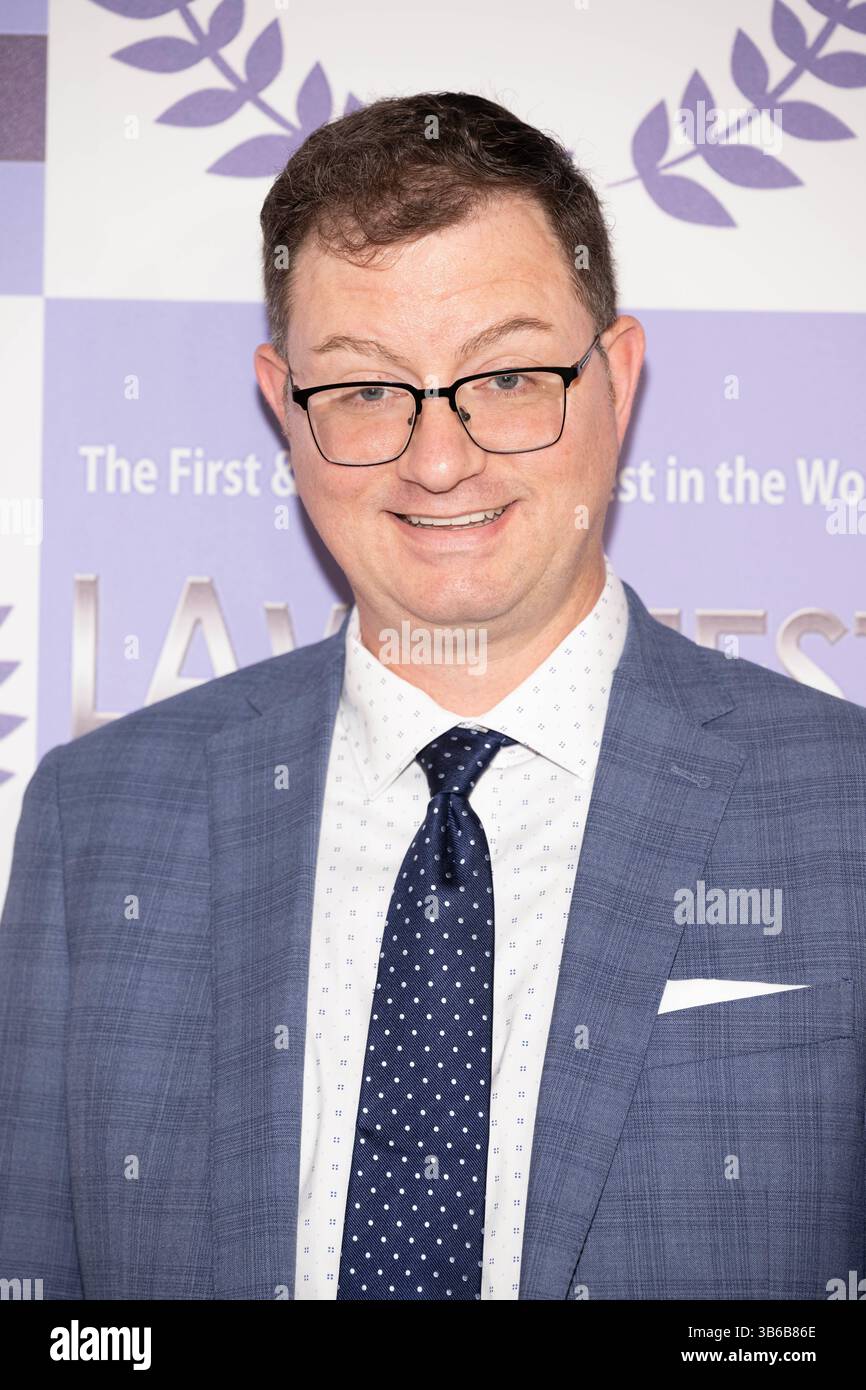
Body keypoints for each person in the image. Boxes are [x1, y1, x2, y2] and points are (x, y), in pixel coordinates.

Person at [0, 92, 863, 1302]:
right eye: (362, 390)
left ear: (614, 377)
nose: (438, 457)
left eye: (505, 376)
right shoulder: (97, 822)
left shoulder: (845, 808)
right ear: (278, 402)